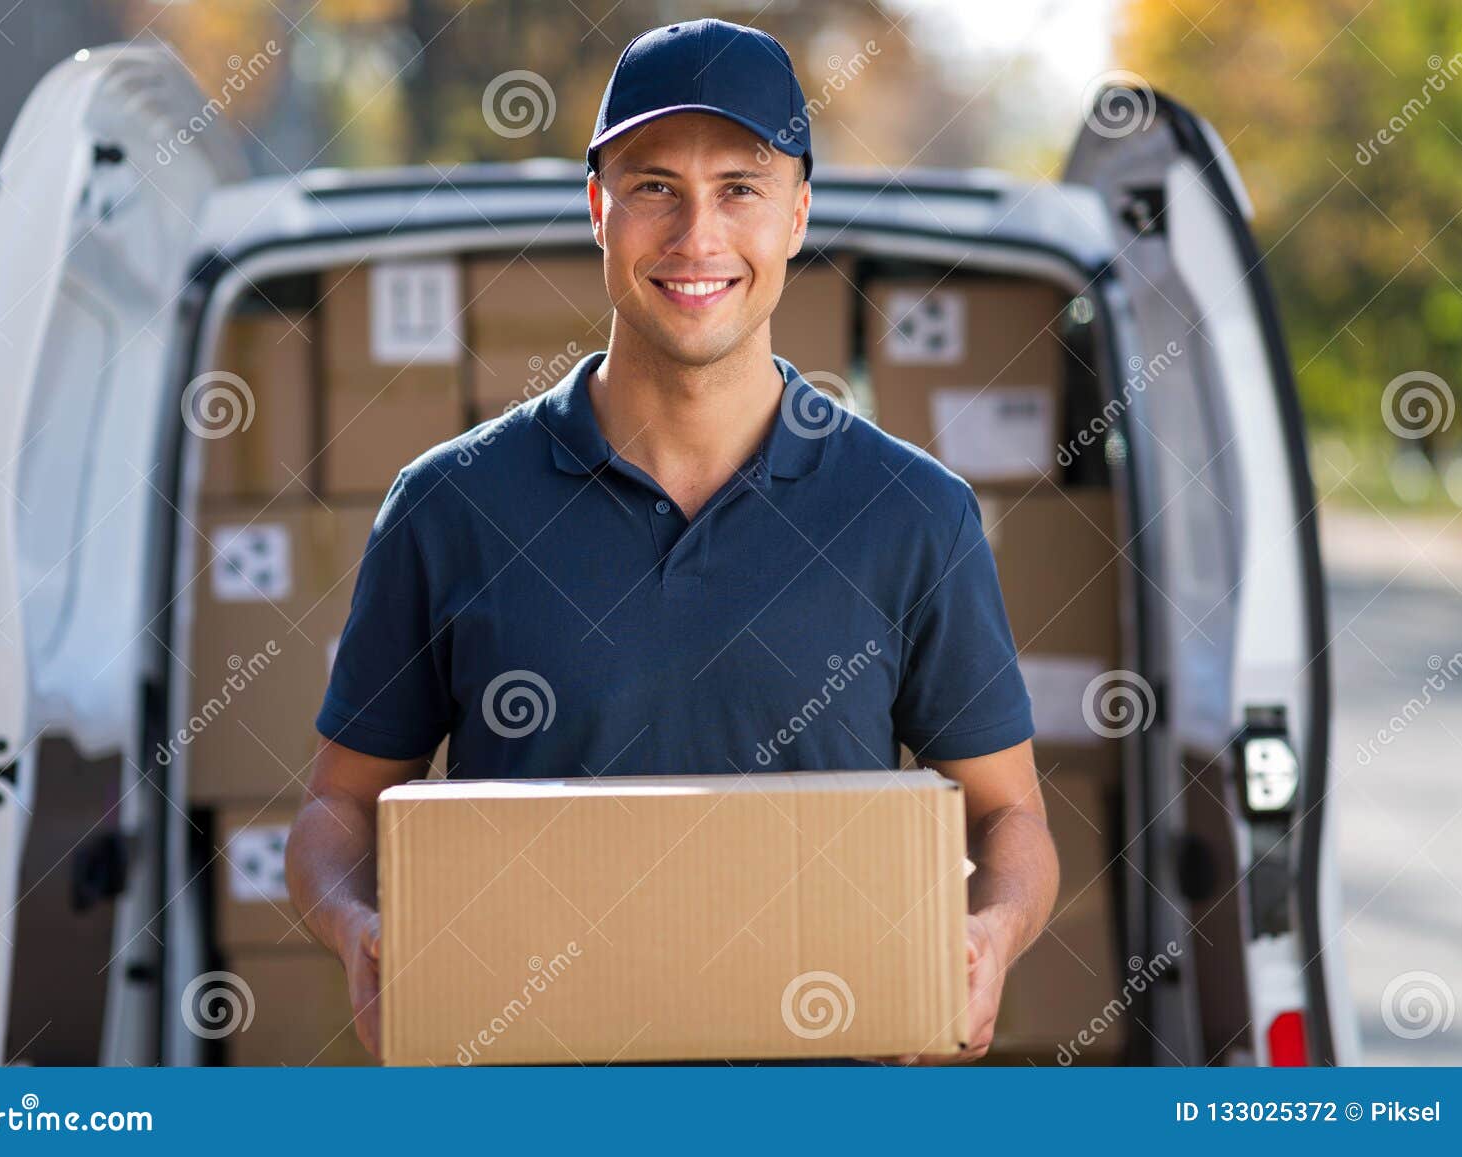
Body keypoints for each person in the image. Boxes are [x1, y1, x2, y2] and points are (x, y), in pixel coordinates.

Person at [285, 17, 1059, 1064]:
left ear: (797, 214)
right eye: (654, 186)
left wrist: (989, 931)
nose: (697, 235)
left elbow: (1010, 817)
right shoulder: (451, 504)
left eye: (739, 187)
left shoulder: (911, 512)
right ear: (599, 209)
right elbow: (338, 806)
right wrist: (358, 924)